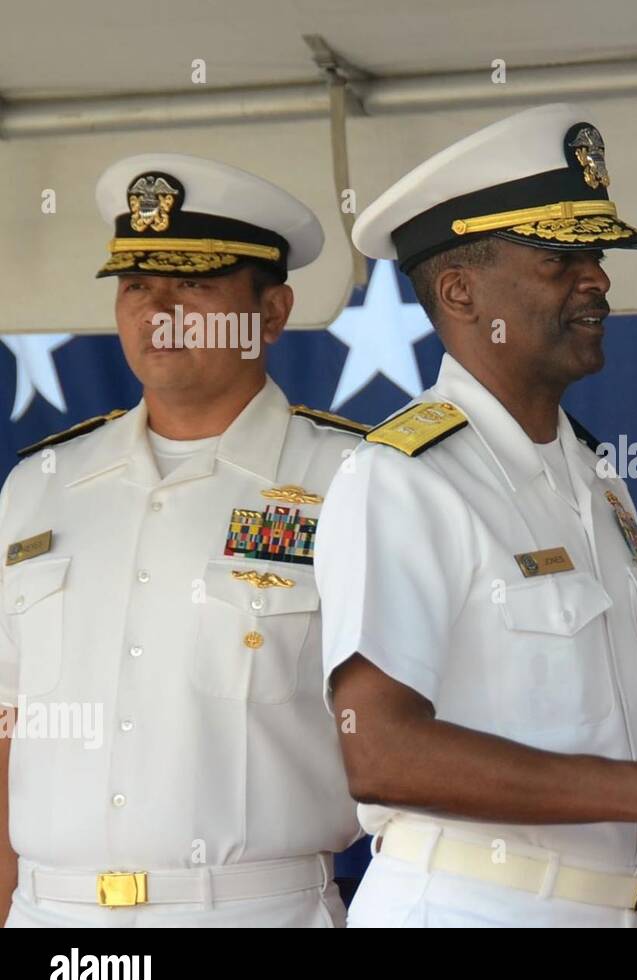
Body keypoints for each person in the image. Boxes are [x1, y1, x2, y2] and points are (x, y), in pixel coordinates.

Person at [317, 103, 637, 928]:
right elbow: (380, 750)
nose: (599, 278)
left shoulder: (589, 475)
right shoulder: (402, 478)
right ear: (461, 290)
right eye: (560, 257)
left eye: (597, 254)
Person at [0, 153, 364, 927]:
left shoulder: (352, 480)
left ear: (271, 313)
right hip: (52, 919)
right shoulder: (40, 486)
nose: (156, 310)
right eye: (137, 285)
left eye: (192, 284)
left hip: (249, 913)